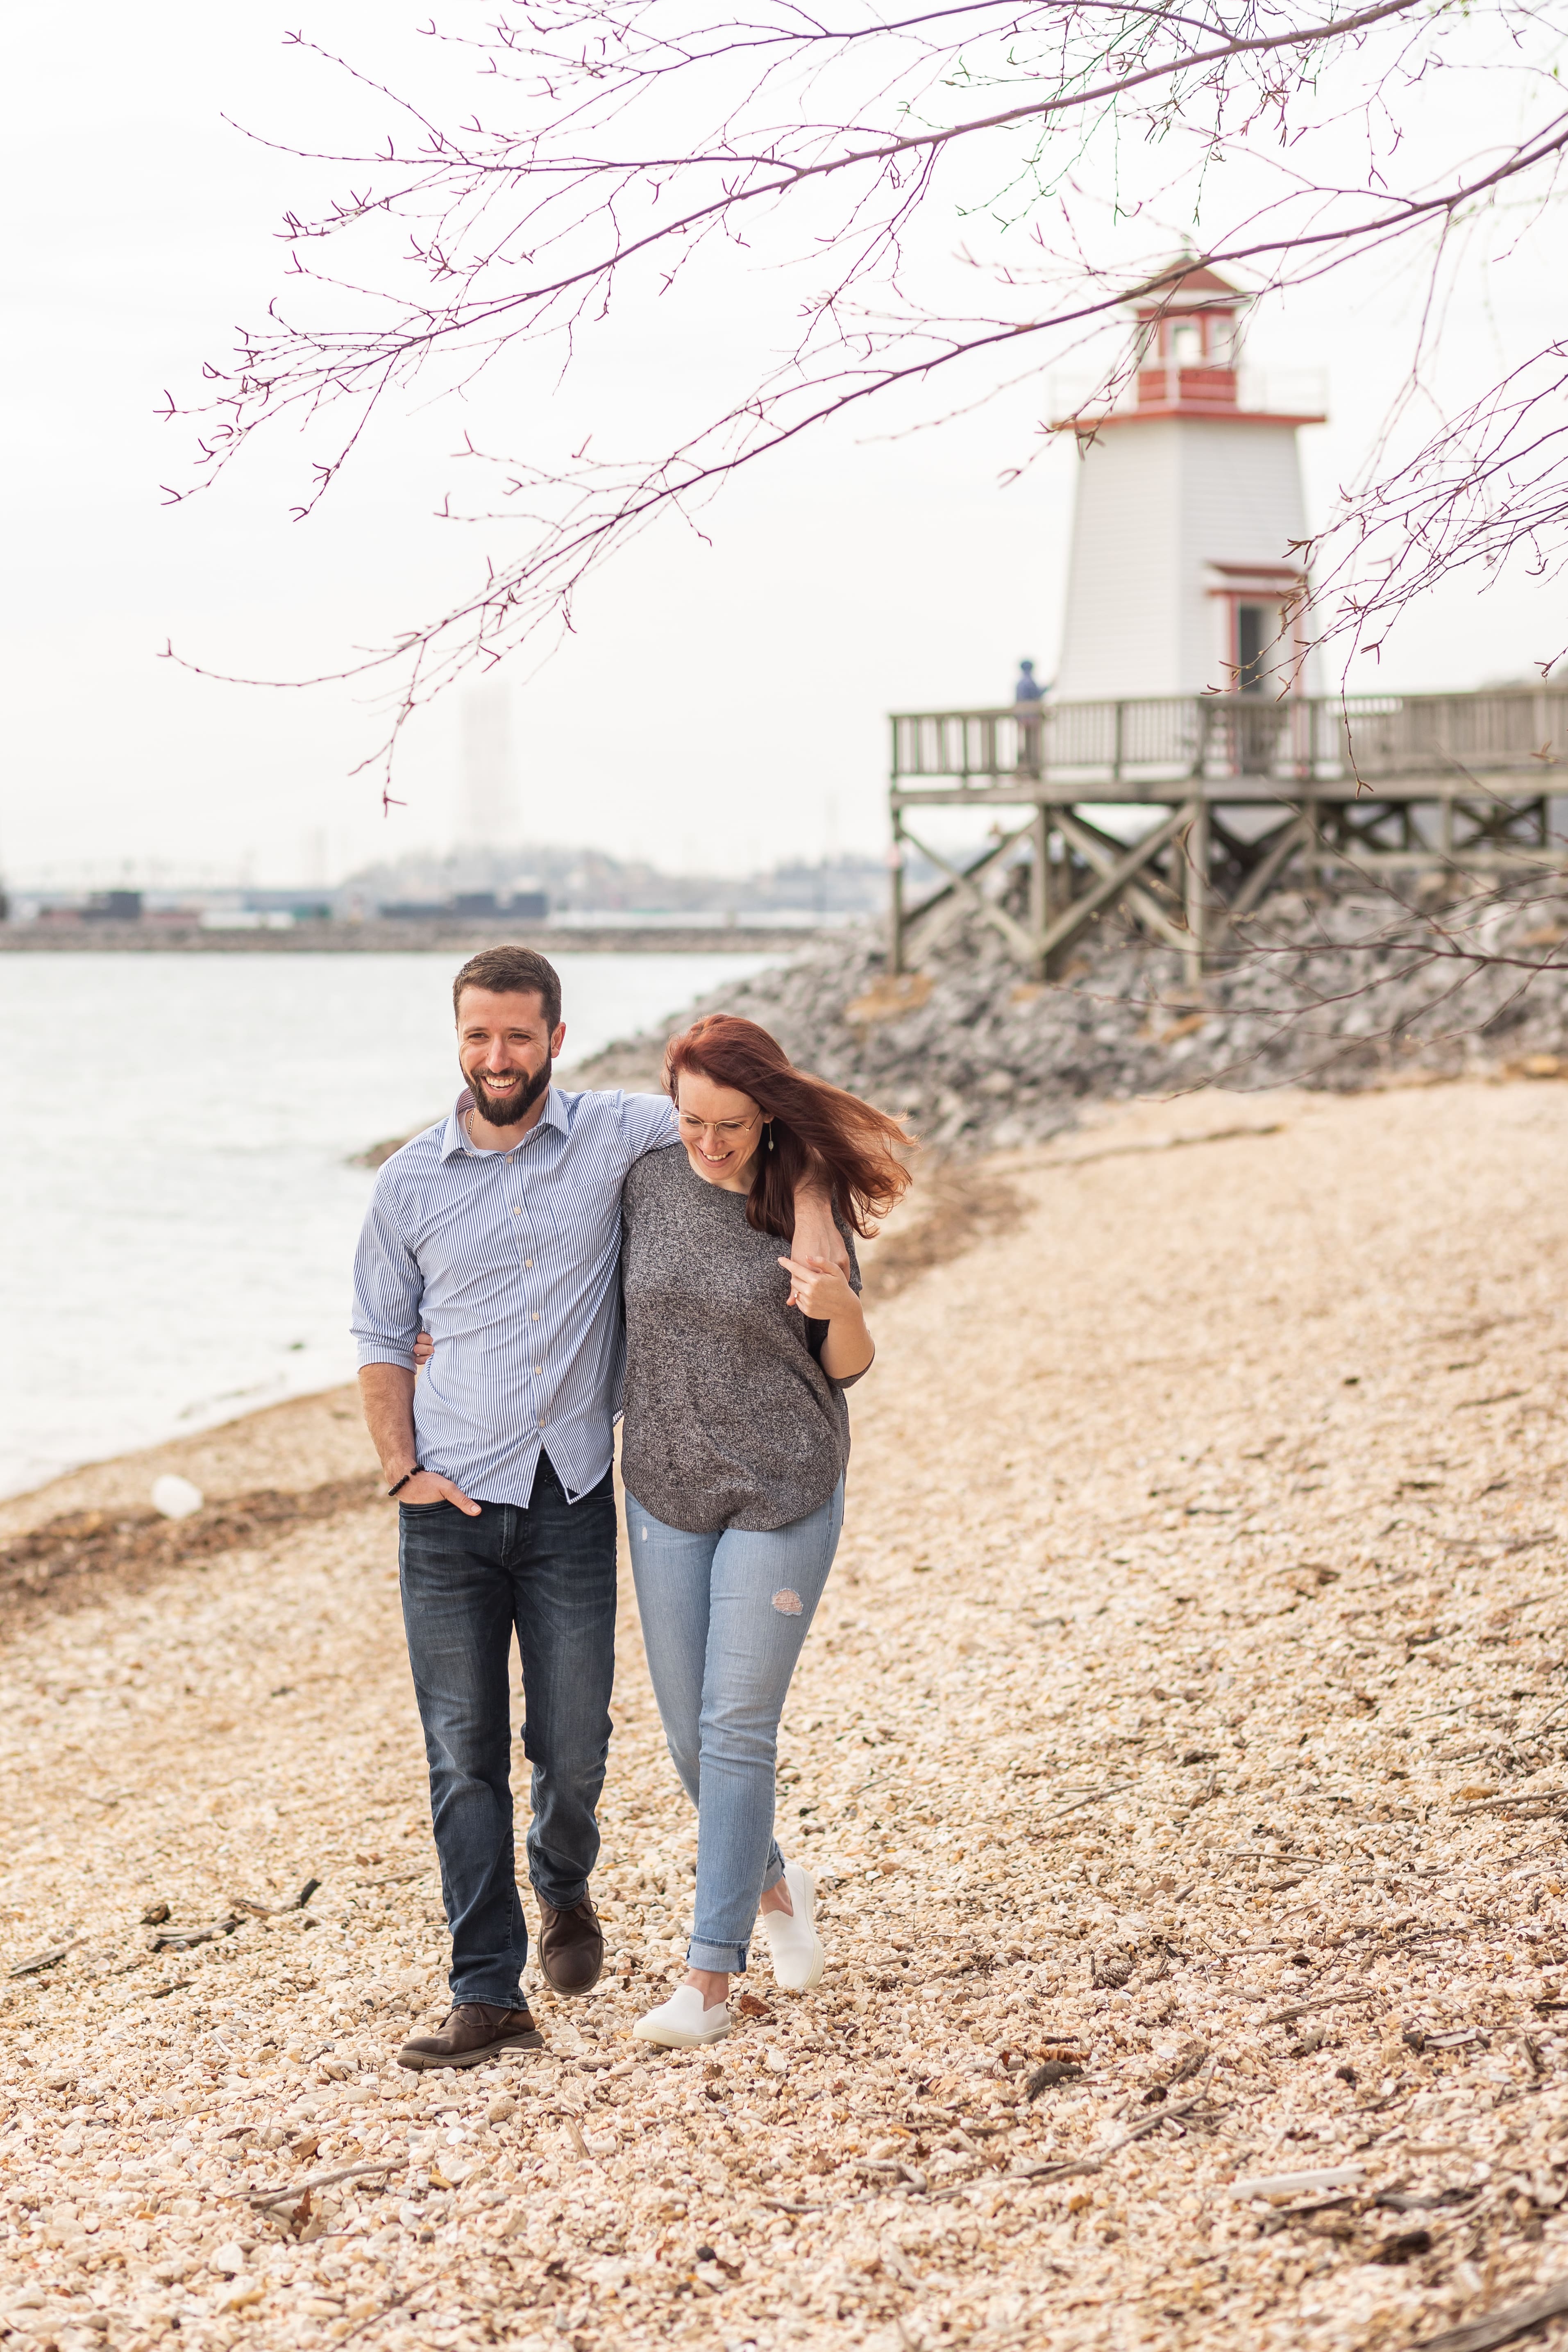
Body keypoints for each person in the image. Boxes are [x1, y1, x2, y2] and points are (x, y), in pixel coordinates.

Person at [350, 947, 844, 2070]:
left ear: (556, 1040)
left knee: (573, 1747)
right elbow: (380, 1331)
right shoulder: (407, 1182)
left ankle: (564, 1881)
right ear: (457, 1039)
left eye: (518, 1035)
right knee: (462, 1752)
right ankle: (487, 1991)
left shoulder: (621, 1132)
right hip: (448, 1502)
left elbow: (752, 1117)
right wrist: (397, 1465)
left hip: (570, 1489)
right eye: (479, 1034)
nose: (498, 1055)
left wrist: (817, 1196)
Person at [617, 1014, 913, 2049]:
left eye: (732, 1124)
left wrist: (839, 1304)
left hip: (786, 1484)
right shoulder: (644, 1180)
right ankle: (777, 1885)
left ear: (769, 1115)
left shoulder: (802, 1200)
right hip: (664, 1482)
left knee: (737, 1725)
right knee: (689, 1737)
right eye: (692, 1119)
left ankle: (709, 1977)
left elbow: (846, 1365)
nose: (710, 1142)